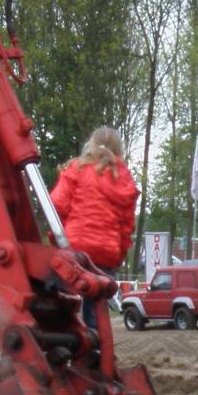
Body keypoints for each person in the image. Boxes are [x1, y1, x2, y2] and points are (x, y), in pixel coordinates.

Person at [49, 127, 141, 331]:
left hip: (75, 248)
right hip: (106, 253)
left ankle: (61, 340)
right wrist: (117, 256)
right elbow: (127, 227)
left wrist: (56, 240)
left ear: (90, 145)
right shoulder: (125, 180)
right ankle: (96, 349)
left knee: (59, 296)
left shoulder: (76, 169)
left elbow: (57, 205)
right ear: (119, 150)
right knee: (96, 305)